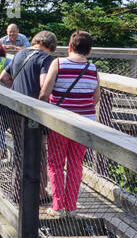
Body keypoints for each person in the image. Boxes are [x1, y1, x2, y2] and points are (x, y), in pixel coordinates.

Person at [39, 30, 100, 214]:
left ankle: (58, 206)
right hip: (84, 123)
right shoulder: (93, 69)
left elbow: (45, 93)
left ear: (70, 47)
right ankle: (71, 207)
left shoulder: (58, 63)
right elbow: (95, 98)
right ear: (89, 50)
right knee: (75, 164)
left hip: (60, 122)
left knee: (56, 163)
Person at [6, 31, 57, 205]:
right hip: (34, 112)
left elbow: (4, 77)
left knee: (19, 151)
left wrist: (18, 92)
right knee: (39, 152)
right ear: (50, 46)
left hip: (14, 109)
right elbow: (44, 84)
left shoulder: (19, 54)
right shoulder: (45, 58)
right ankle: (40, 193)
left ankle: (16, 192)